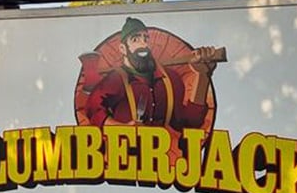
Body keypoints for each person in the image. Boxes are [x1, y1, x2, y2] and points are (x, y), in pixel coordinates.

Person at [83, 17, 217, 130]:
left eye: (146, 39)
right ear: (123, 48)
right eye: (135, 39)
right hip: (124, 158)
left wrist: (202, 76)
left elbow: (189, 123)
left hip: (163, 159)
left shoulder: (170, 79)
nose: (143, 44)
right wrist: (122, 127)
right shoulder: (116, 79)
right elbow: (92, 108)